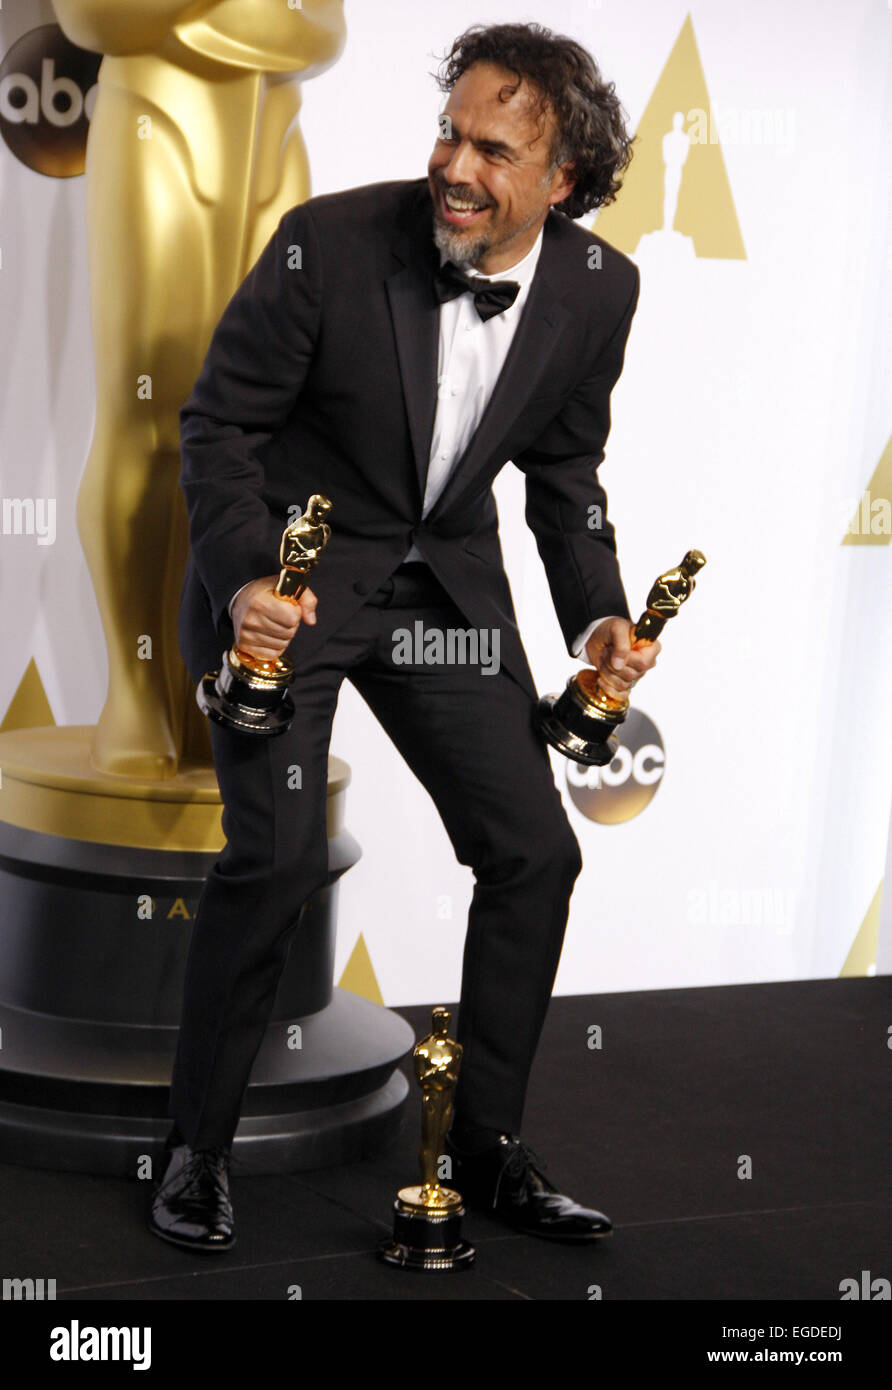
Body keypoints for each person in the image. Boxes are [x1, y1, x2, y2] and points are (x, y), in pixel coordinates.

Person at [150, 20, 661, 1253]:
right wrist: (244, 583)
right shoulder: (326, 244)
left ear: (563, 182)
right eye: (450, 130)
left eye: (493, 148)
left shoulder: (600, 290)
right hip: (297, 591)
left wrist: (599, 613)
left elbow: (563, 474)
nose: (455, 163)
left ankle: (481, 1151)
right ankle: (190, 1152)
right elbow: (215, 431)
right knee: (270, 862)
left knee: (535, 852)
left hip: (441, 602)